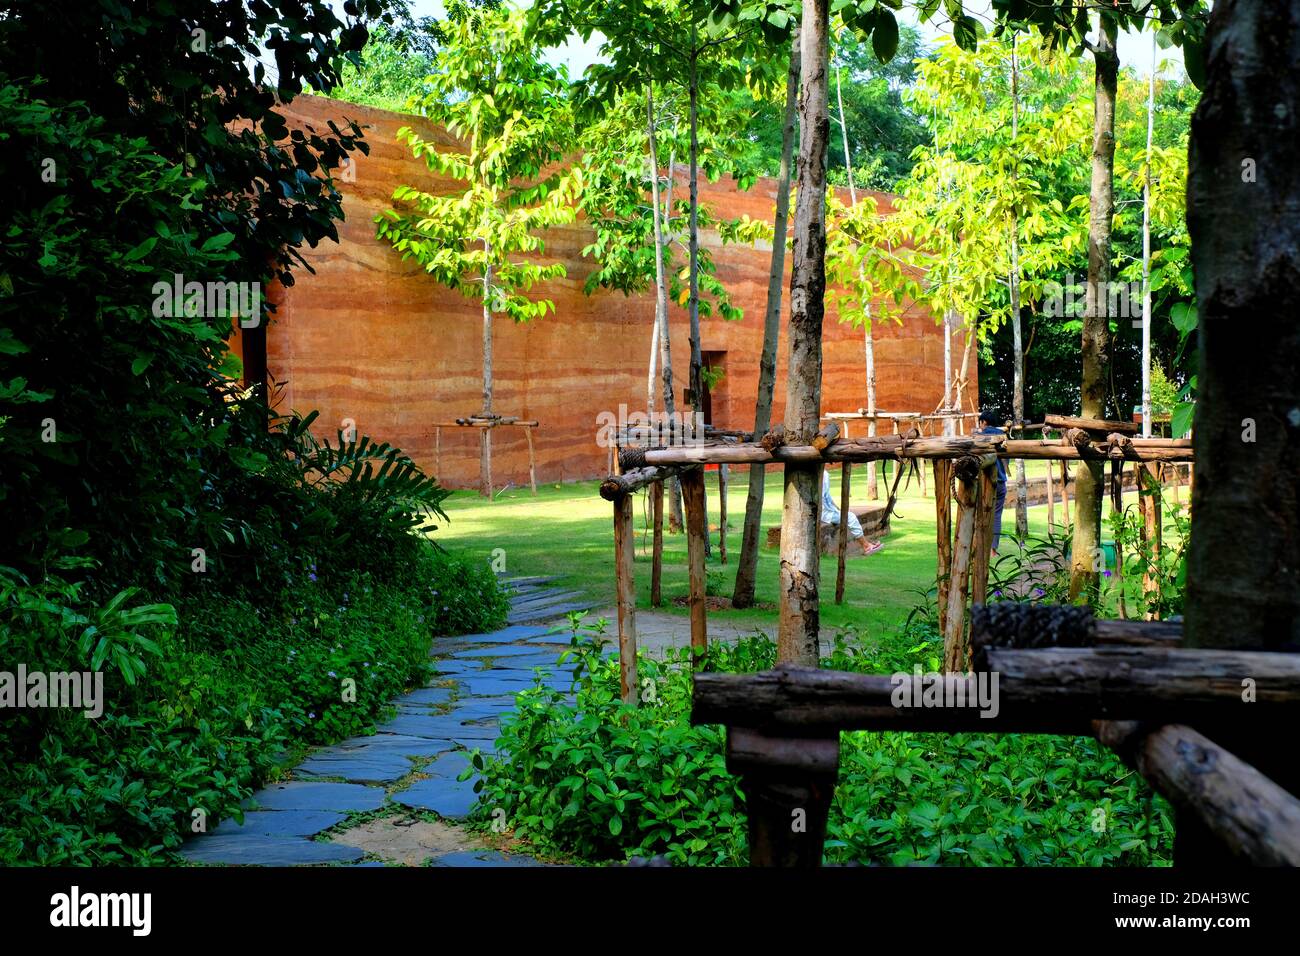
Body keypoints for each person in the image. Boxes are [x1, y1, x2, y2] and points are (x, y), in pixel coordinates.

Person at [821, 468, 883, 556]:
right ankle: (866, 546)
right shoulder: (820, 474)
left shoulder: (825, 473)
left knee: (849, 517)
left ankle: (868, 543)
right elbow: (822, 496)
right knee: (851, 517)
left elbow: (827, 495)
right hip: (824, 513)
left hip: (828, 510)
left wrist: (835, 507)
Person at [975, 410, 1009, 554]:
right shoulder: (1004, 437)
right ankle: (993, 549)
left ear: (983, 422)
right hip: (1001, 483)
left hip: (984, 482)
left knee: (980, 513)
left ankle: (978, 545)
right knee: (996, 515)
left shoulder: (979, 436)